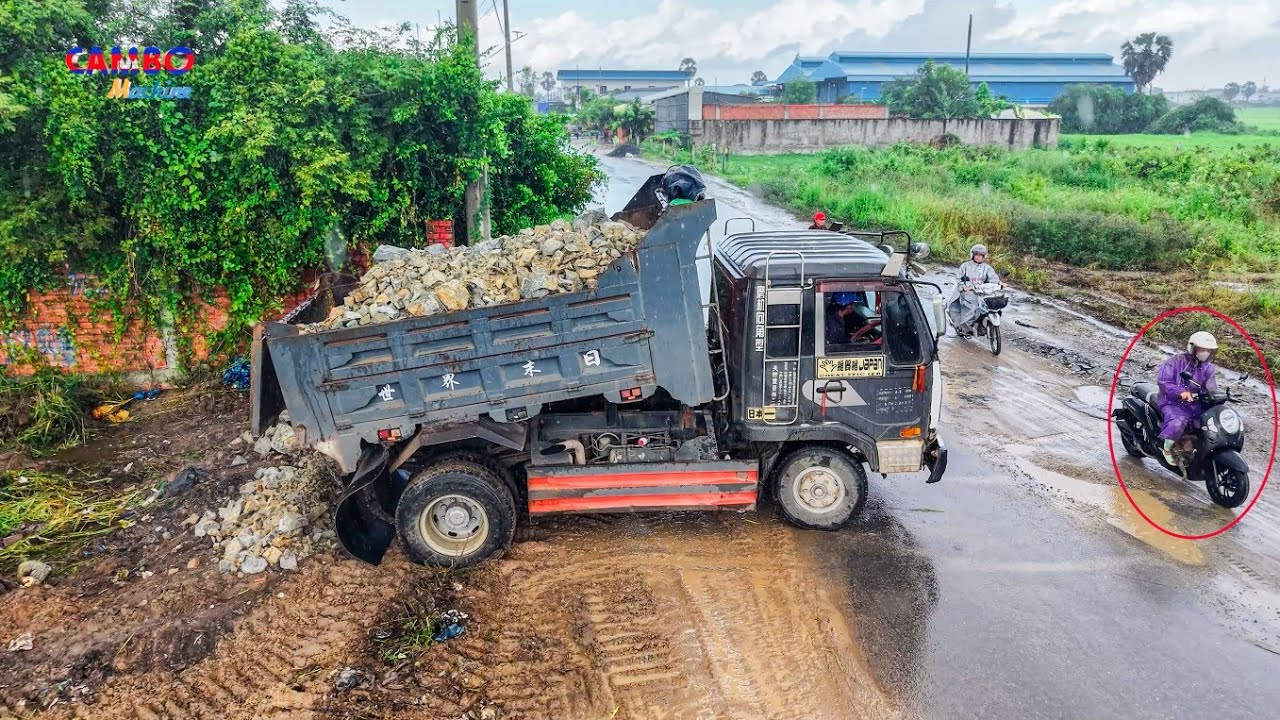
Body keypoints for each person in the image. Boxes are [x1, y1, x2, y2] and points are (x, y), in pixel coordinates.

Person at [1155, 331, 1219, 465]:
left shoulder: (1208, 368)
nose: (1205, 353)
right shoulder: (1176, 361)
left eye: (1208, 350)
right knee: (1178, 421)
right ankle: (1166, 448)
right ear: (1193, 348)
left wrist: (1215, 396)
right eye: (1202, 349)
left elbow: (1210, 387)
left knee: (1207, 422)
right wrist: (1180, 392)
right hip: (1171, 401)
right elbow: (1164, 381)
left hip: (1194, 403)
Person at [946, 244, 1005, 338]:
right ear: (972, 255)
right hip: (968, 291)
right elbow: (959, 279)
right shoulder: (965, 266)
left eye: (981, 255)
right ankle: (965, 327)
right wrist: (964, 286)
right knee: (971, 307)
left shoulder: (987, 268)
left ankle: (982, 325)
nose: (978, 257)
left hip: (981, 291)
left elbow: (993, 278)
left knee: (991, 305)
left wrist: (999, 283)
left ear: (984, 256)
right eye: (976, 254)